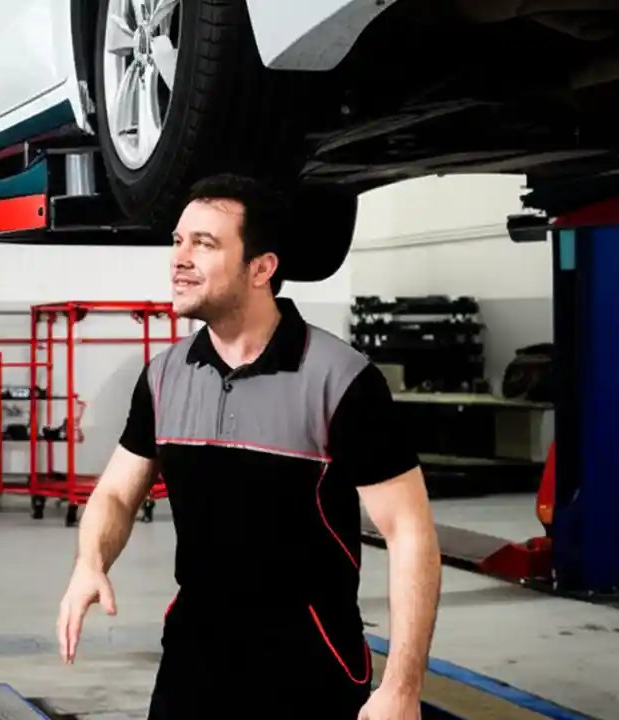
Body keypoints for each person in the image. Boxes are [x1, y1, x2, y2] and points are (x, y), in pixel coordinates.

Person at [56, 174, 442, 718]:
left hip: (311, 672)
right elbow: (118, 494)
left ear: (261, 268)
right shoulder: (164, 377)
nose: (179, 259)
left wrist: (402, 687)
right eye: (177, 241)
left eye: (204, 244)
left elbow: (410, 535)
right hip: (192, 667)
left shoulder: (341, 380)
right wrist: (90, 562)